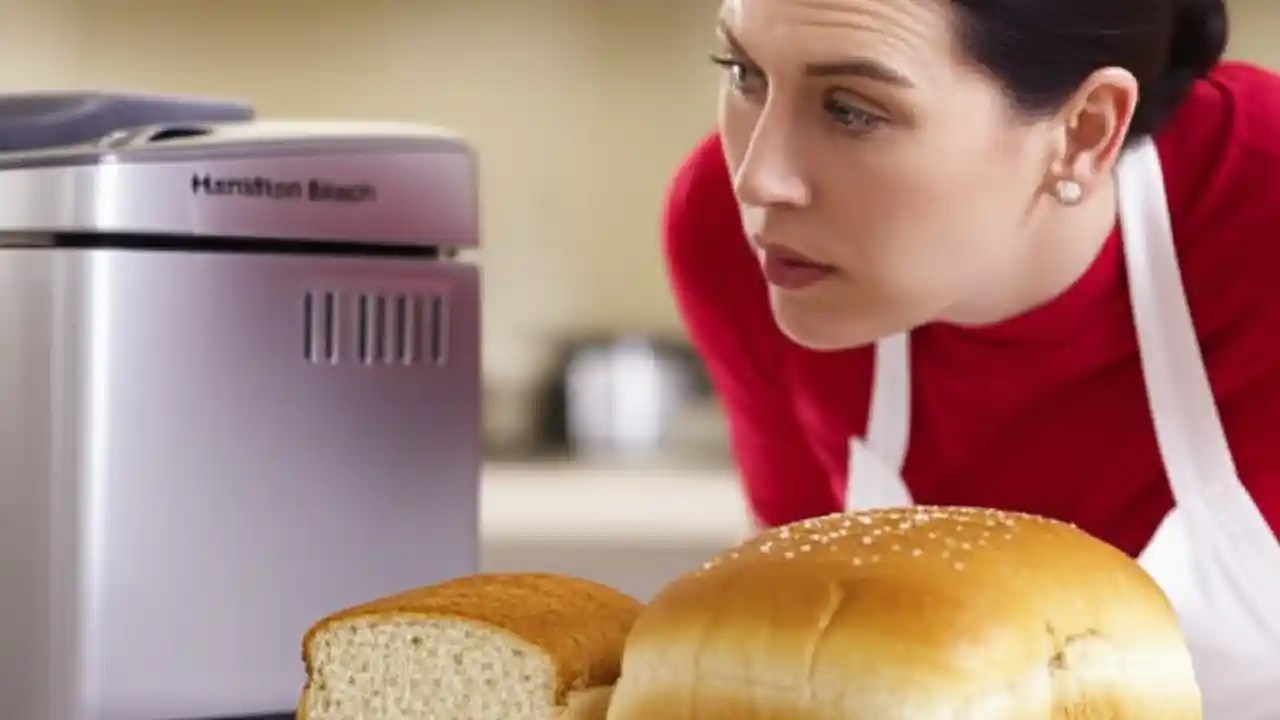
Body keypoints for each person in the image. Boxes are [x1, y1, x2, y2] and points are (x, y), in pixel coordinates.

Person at [663, 0, 1280, 716]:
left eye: (852, 111)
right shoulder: (745, 243)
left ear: (1085, 129)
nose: (759, 180)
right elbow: (801, 651)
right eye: (743, 72)